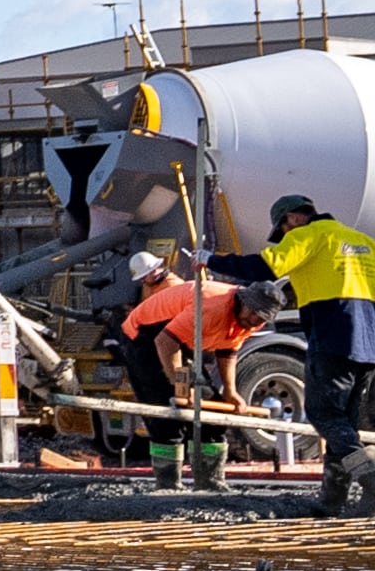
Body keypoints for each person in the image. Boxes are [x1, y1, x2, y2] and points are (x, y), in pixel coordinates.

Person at [218, 195, 375, 515]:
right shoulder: (363, 241)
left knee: (322, 413)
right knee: (343, 424)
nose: (285, 240)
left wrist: (211, 260)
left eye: (284, 232)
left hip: (333, 338)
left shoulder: (309, 235)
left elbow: (263, 266)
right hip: (370, 343)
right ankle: (333, 500)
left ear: (293, 218)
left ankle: (370, 479)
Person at [122, 252, 251, 414]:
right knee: (166, 401)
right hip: (158, 338)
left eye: (143, 277)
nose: (143, 281)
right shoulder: (152, 287)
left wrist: (181, 387)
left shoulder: (172, 285)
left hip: (168, 340)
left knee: (172, 399)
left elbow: (171, 342)